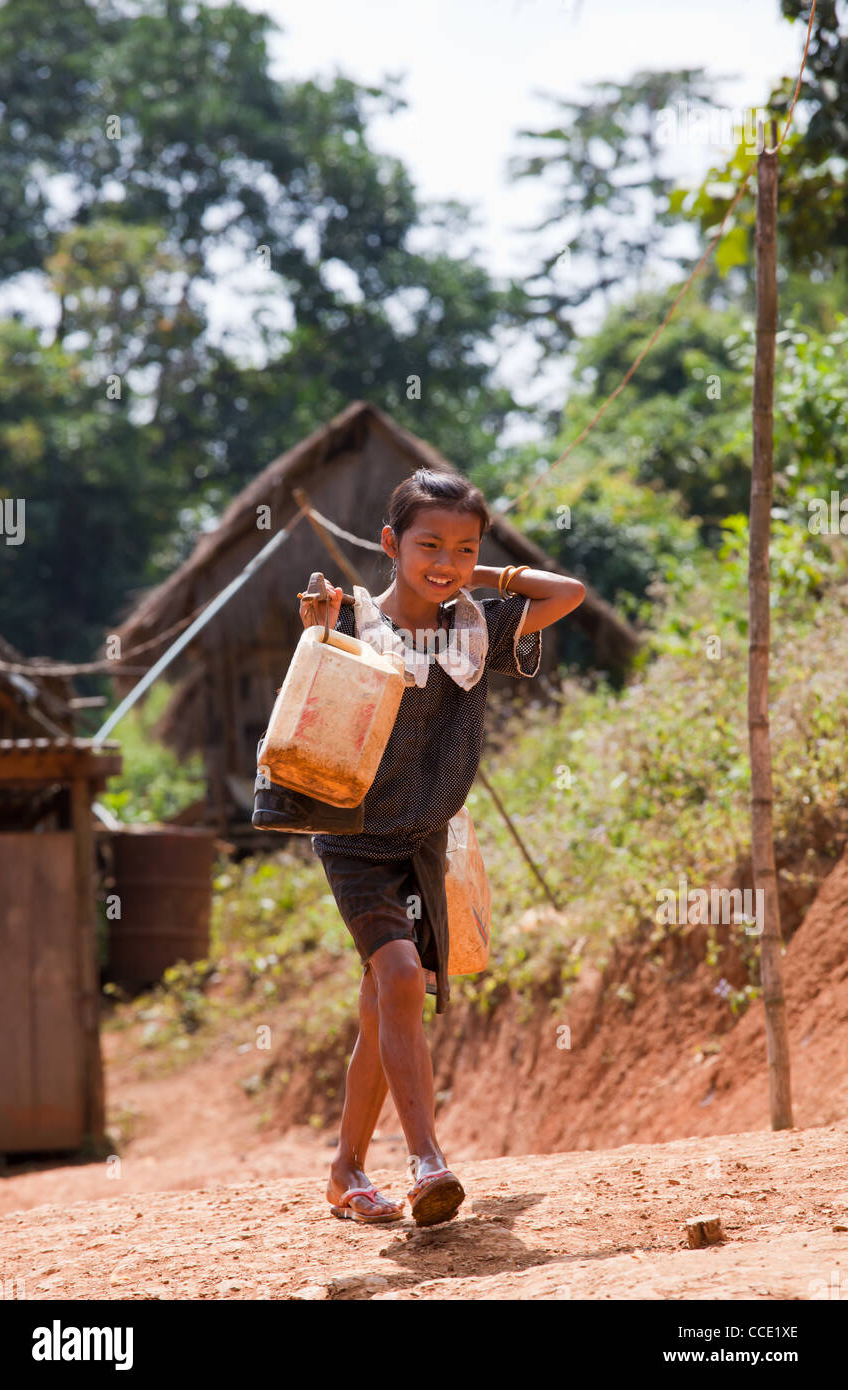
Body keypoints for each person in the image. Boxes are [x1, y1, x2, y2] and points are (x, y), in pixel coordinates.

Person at [300, 469, 586, 1226]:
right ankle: (428, 1159)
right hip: (356, 840)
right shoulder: (353, 623)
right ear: (390, 544)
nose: (447, 561)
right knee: (399, 978)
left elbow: (568, 593)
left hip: (427, 839)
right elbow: (310, 699)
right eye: (429, 545)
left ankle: (346, 1172)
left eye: (465, 547)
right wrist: (317, 629)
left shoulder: (477, 627)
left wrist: (480, 573)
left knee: (382, 1004)